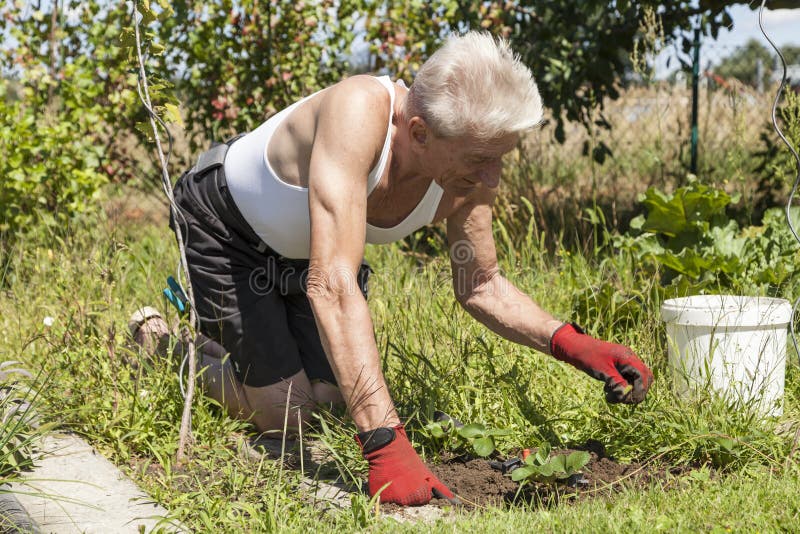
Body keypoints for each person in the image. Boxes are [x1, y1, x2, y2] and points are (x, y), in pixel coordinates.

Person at [130, 31, 653, 506]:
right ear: (419, 132)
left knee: (333, 403)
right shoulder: (359, 112)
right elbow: (333, 283)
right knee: (287, 415)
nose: (493, 176)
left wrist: (571, 342)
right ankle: (159, 341)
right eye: (479, 160)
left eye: (500, 158)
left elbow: (481, 283)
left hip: (308, 247)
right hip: (228, 228)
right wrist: (384, 442)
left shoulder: (466, 178)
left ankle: (240, 347)